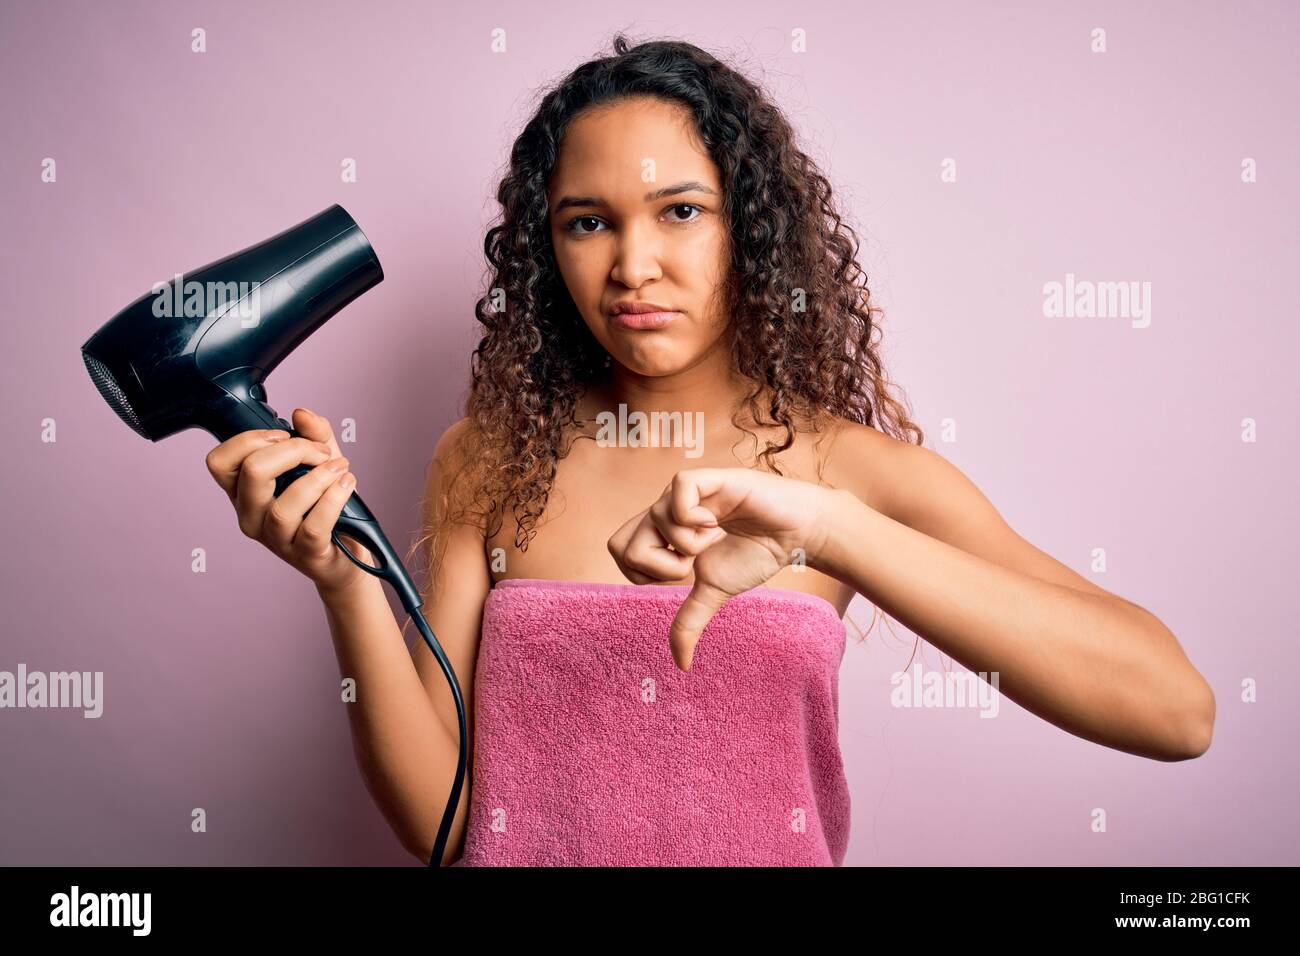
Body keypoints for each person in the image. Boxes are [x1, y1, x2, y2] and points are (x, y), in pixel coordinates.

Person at [202, 35, 1215, 866]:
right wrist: (343, 581)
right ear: (546, 249)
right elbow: (449, 824)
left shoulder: (857, 475)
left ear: (753, 229)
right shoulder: (487, 458)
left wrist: (830, 527)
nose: (631, 266)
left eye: (679, 211)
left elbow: (1174, 709)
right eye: (587, 222)